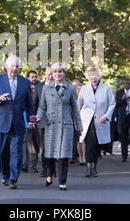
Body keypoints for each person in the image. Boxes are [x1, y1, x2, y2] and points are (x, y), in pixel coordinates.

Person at [0, 55, 35, 189]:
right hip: (1, 123)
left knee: (17, 152)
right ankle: (5, 175)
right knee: (2, 153)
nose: (15, 68)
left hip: (18, 123)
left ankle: (14, 178)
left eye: (17, 66)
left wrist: (31, 117)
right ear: (6, 67)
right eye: (12, 66)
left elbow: (29, 103)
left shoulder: (25, 82)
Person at [36, 62, 83, 191]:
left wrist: (79, 126)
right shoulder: (47, 88)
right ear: (52, 74)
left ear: (64, 74)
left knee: (64, 155)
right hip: (51, 125)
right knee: (50, 154)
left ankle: (62, 182)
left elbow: (75, 109)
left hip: (66, 125)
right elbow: (42, 107)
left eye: (60, 71)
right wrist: (38, 117)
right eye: (55, 72)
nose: (57, 74)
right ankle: (50, 174)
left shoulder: (70, 88)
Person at [78, 67, 115, 177]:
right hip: (87, 122)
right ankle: (89, 167)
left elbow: (112, 104)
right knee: (89, 144)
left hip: (100, 121)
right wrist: (77, 120)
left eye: (95, 77)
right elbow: (78, 104)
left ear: (99, 77)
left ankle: (94, 166)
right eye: (91, 77)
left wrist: (106, 116)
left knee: (97, 146)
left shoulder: (106, 89)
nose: (93, 79)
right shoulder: (84, 89)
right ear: (88, 77)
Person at [22, 70, 41, 173]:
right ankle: (25, 164)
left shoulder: (40, 87)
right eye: (32, 77)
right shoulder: (24, 89)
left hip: (38, 119)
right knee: (26, 142)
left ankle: (34, 164)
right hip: (27, 119)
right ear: (28, 78)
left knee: (36, 143)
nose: (34, 79)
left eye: (35, 77)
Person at [71, 79, 86, 165]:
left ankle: (82, 157)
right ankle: (75, 156)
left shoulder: (83, 94)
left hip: (83, 119)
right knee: (75, 139)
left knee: (82, 138)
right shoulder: (71, 94)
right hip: (73, 119)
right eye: (74, 87)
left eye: (77, 86)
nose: (76, 88)